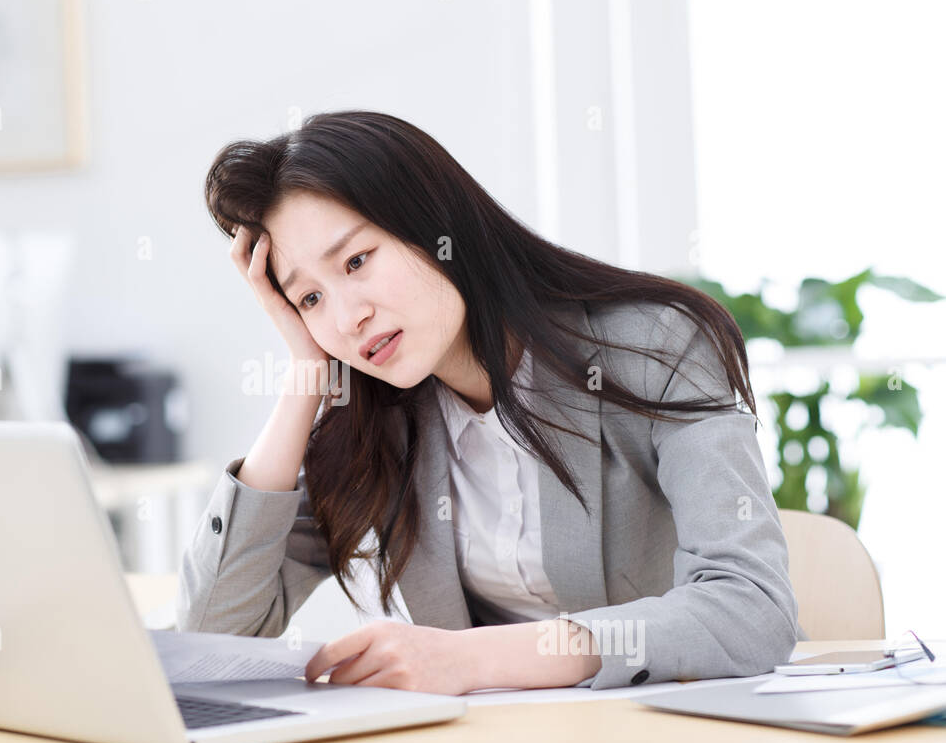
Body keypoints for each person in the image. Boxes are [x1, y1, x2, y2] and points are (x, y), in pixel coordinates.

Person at [178, 110, 800, 694]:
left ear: (436, 227)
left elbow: (750, 605)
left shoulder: (654, 349)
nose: (347, 316)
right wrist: (304, 379)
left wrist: (469, 659)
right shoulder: (374, 428)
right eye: (308, 299)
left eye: (357, 260)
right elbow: (213, 633)